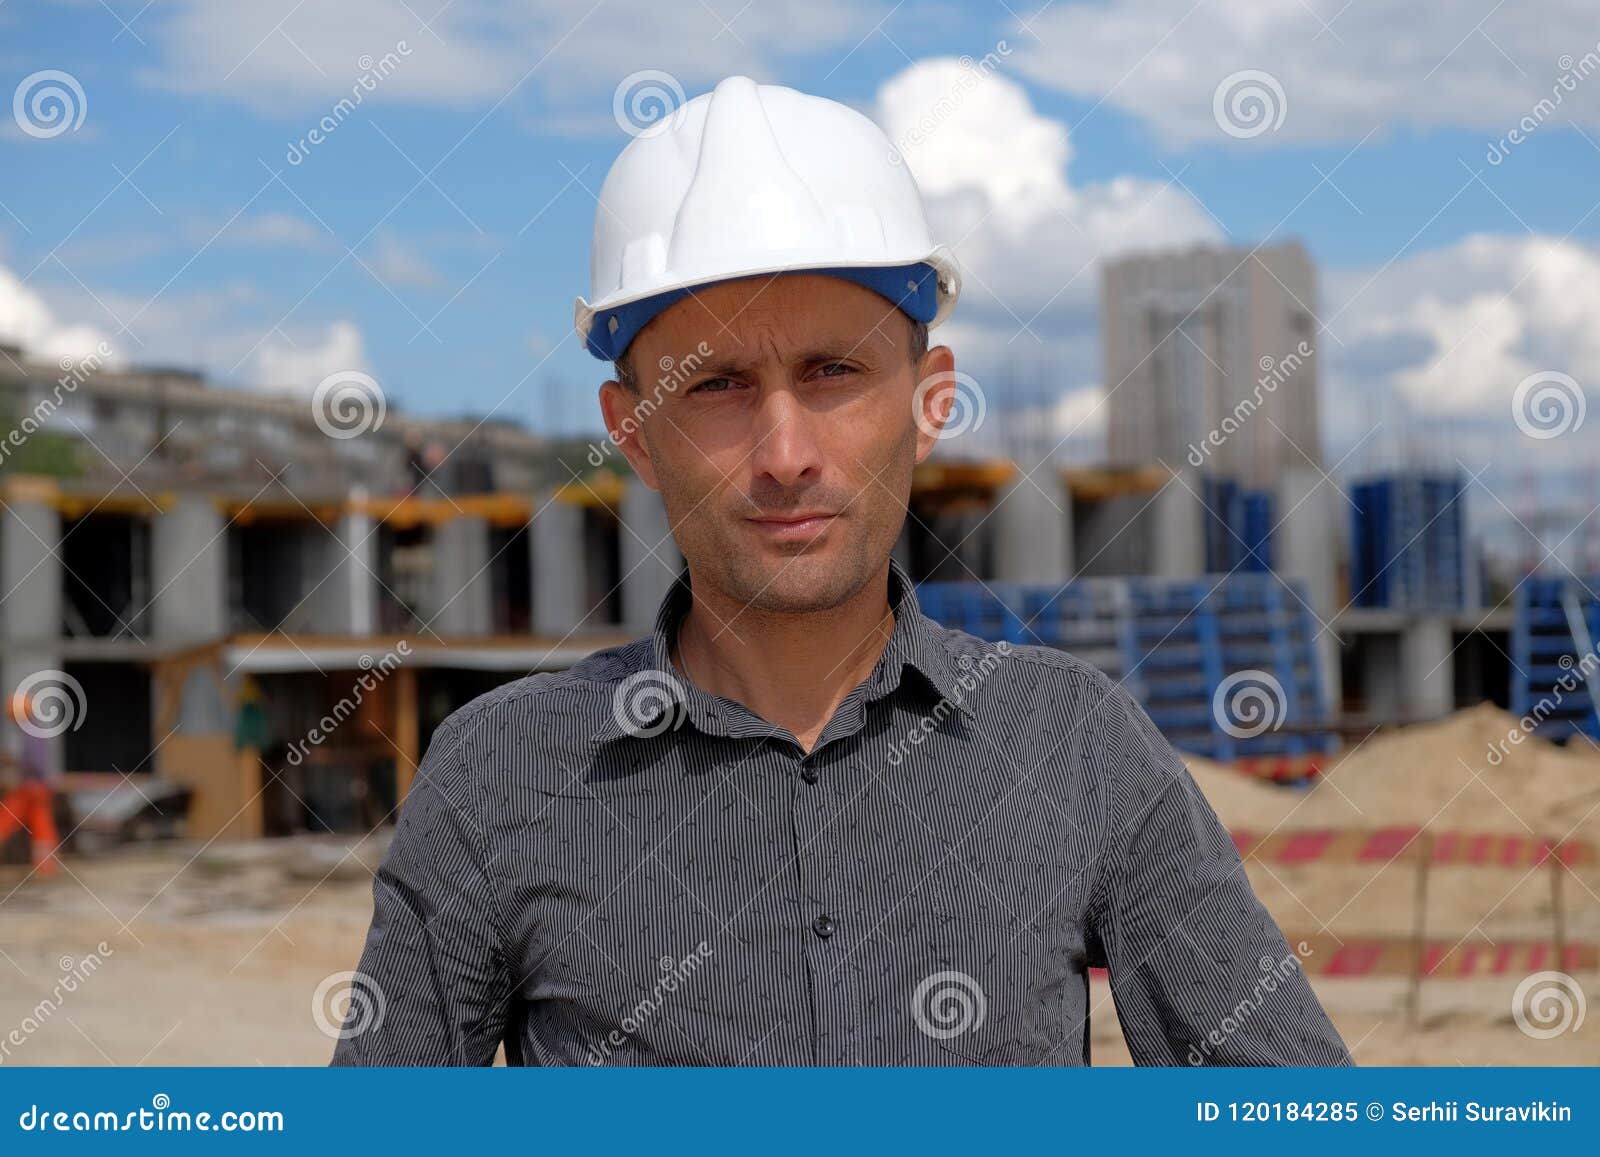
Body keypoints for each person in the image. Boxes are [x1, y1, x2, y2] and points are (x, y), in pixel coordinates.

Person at [333, 76, 1350, 1067]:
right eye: (717, 385)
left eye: (833, 373)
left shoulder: (1075, 749)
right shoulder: (500, 774)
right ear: (632, 433)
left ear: (929, 400)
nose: (784, 452)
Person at [0, 691, 61, 878]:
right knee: (42, 825)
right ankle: (46, 865)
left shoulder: (30, 731)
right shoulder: (35, 729)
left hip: (30, 787)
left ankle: (45, 865)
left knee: (5, 819)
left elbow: (34, 762)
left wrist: (13, 763)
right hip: (40, 787)